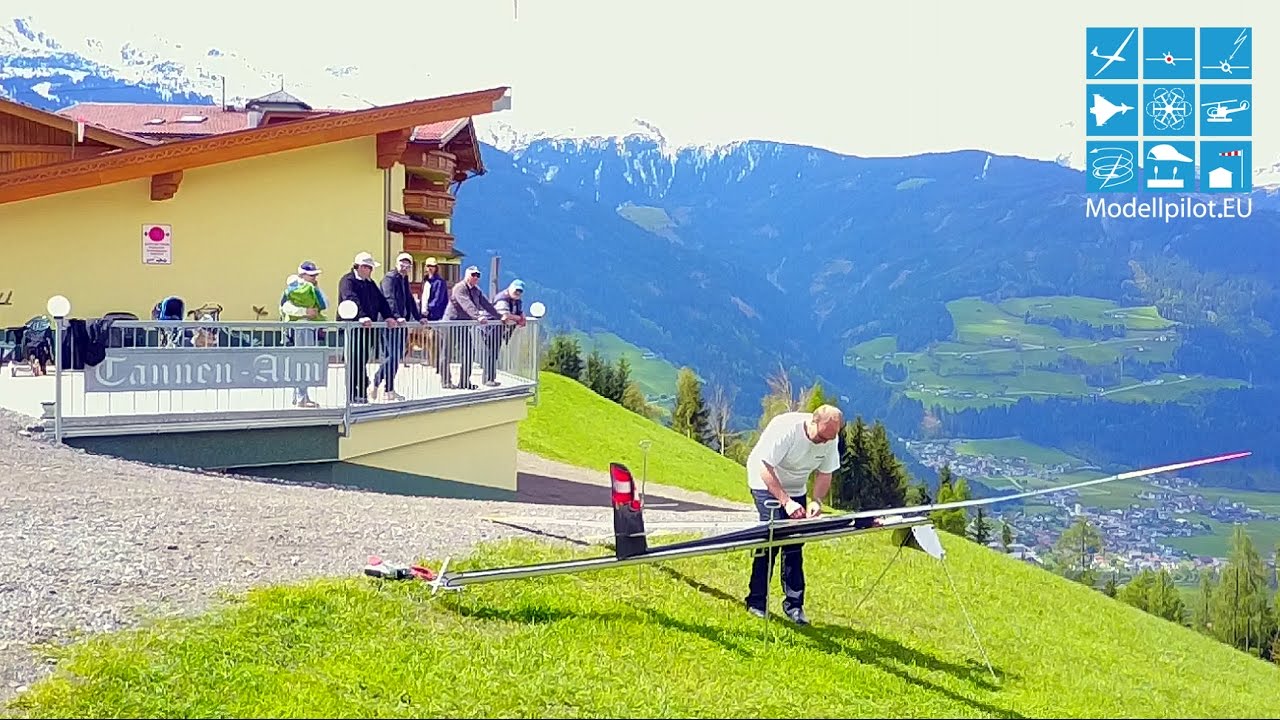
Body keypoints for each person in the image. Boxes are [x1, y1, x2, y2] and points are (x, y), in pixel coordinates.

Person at [743, 404, 844, 625]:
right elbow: (764, 467)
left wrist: (816, 501)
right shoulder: (785, 428)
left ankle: (794, 606)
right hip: (765, 481)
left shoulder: (830, 437)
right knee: (771, 537)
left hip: (796, 487)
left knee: (796, 541)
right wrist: (786, 503)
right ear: (813, 422)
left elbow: (825, 473)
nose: (825, 442)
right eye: (822, 436)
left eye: (830, 437)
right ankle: (756, 601)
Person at [338, 252, 399, 404]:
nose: (371, 271)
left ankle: (362, 393)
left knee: (362, 360)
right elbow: (350, 299)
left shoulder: (370, 283)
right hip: (353, 330)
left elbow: (381, 302)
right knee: (354, 361)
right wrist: (361, 316)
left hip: (368, 330)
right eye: (368, 268)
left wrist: (389, 316)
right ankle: (353, 395)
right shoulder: (347, 281)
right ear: (360, 267)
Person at [371, 252, 425, 401]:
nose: (404, 266)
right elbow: (389, 299)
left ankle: (389, 390)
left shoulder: (404, 279)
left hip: (401, 324)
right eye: (402, 263)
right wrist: (395, 316)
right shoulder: (390, 278)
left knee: (395, 357)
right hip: (389, 323)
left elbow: (409, 300)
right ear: (397, 263)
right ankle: (375, 382)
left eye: (407, 264)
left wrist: (419, 317)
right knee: (392, 356)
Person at [279, 261, 327, 408]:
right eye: (311, 275)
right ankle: (300, 397)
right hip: (298, 330)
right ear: (302, 275)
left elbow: (325, 303)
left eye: (315, 275)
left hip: (309, 329)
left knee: (306, 363)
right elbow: (285, 307)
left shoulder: (313, 289)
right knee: (301, 362)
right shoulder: (292, 289)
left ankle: (302, 396)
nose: (314, 278)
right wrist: (305, 312)